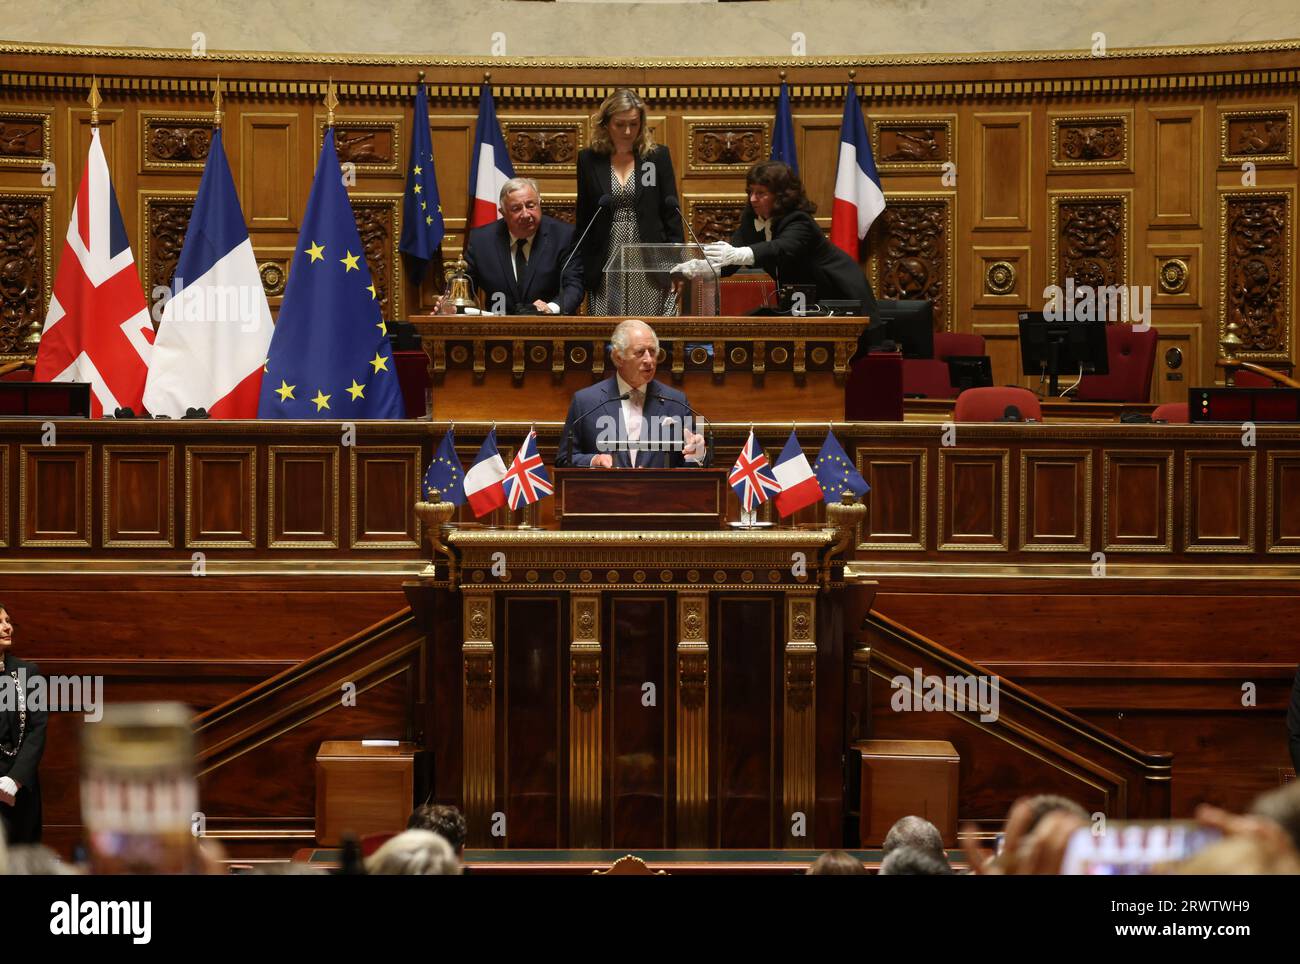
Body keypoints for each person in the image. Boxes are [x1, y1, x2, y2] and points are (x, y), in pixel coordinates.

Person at [702, 159, 878, 318]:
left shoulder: (799, 220)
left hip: (839, 298)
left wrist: (738, 253)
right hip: (802, 305)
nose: (753, 199)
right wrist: (702, 268)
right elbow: (731, 261)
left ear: (780, 196)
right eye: (750, 192)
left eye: (761, 193)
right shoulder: (752, 220)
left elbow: (782, 248)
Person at [577, 89, 684, 316]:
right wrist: (581, 268)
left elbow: (671, 212)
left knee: (651, 323)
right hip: (607, 254)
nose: (627, 131)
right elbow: (584, 217)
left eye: (634, 124)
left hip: (650, 254)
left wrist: (678, 267)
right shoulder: (589, 159)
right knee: (611, 324)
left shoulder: (655, 157)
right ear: (606, 123)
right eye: (620, 124)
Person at [556, 319, 706, 468]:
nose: (649, 360)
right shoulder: (586, 402)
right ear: (618, 357)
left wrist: (699, 453)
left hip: (659, 491)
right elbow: (564, 459)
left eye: (652, 352)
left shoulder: (676, 402)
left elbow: (693, 462)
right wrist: (594, 460)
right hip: (605, 491)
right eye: (640, 352)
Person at [438, 178, 583, 315]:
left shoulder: (563, 236)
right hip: (497, 333)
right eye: (516, 209)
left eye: (531, 205)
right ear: (503, 213)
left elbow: (574, 285)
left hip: (549, 330)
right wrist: (451, 302)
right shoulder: (481, 240)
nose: (526, 214)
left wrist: (550, 308)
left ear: (540, 203)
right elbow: (466, 283)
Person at [0, 603, 46, 845]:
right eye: (0, 622)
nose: (8, 627)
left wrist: (15, 778)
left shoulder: (28, 673)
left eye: (8, 621)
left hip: (19, 789)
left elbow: (37, 730)